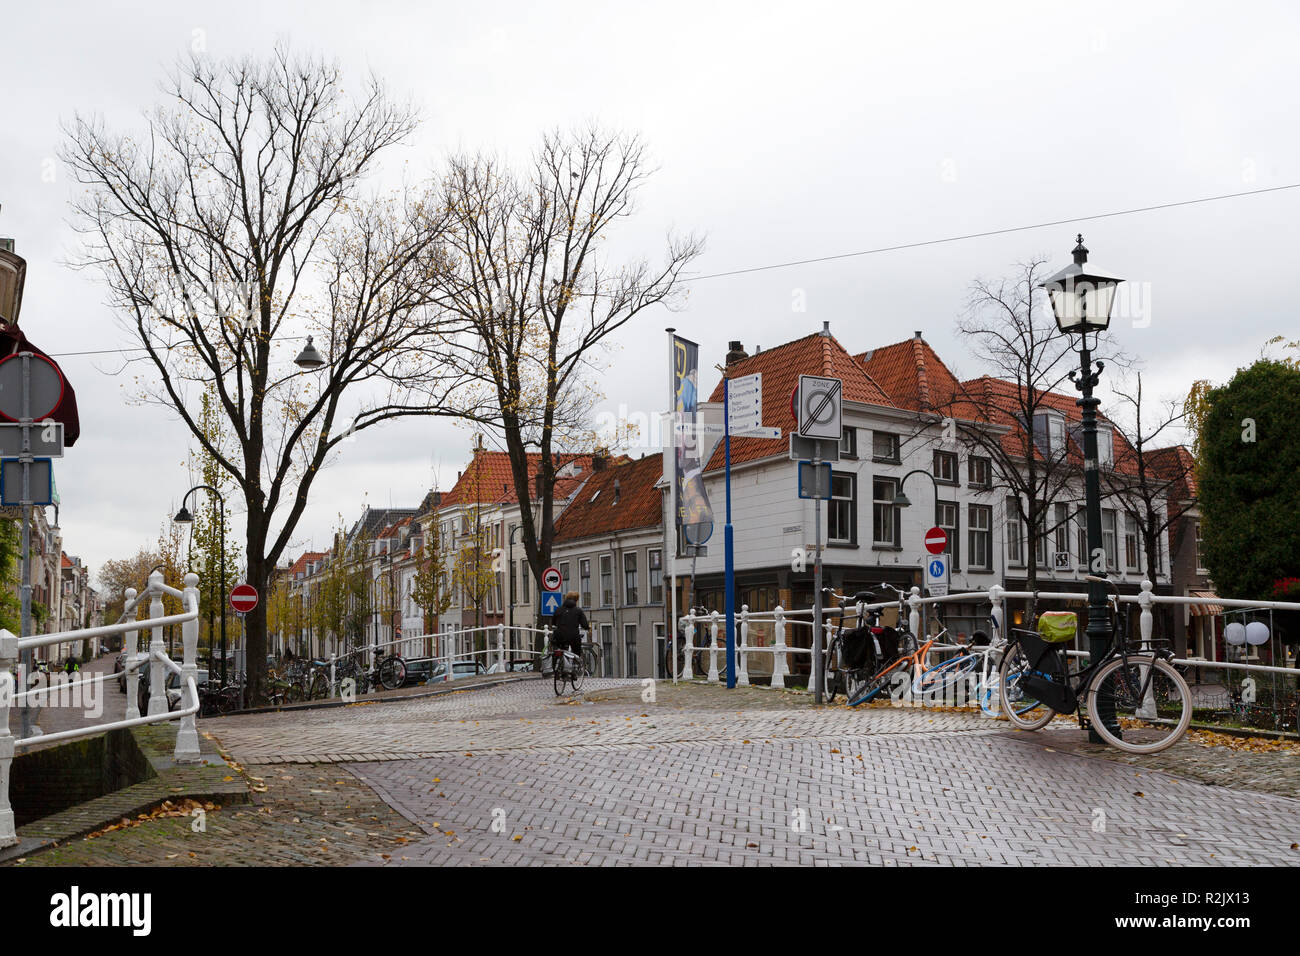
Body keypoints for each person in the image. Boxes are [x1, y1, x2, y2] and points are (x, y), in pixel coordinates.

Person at [550, 591, 588, 668]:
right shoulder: (578, 610)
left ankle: (557, 666)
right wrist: (587, 627)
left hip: (559, 636)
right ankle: (575, 666)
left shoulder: (558, 609)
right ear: (576, 600)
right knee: (576, 651)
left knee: (560, 649)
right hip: (573, 636)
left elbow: (553, 622)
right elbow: (584, 624)